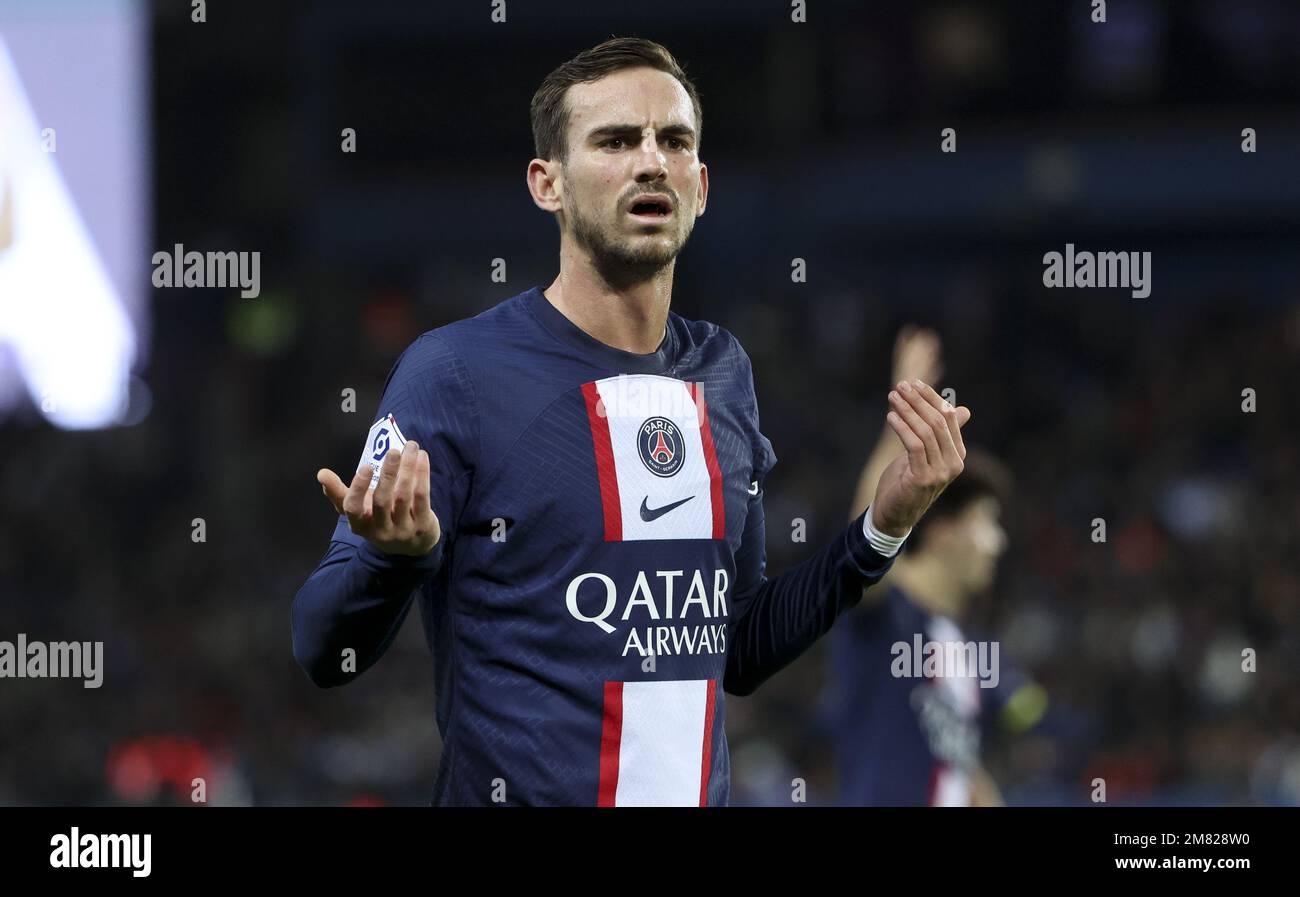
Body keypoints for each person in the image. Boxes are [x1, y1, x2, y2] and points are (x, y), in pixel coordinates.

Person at [291, 38, 971, 806]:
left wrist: (883, 525)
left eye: (674, 141)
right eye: (616, 141)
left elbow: (736, 646)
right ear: (547, 184)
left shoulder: (723, 373)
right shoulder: (455, 373)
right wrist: (396, 559)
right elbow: (322, 649)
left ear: (702, 185)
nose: (652, 161)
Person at [828, 326, 1043, 806]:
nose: (998, 542)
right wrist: (898, 431)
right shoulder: (885, 614)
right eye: (987, 524)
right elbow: (858, 556)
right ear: (944, 534)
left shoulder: (963, 644)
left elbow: (958, 764)